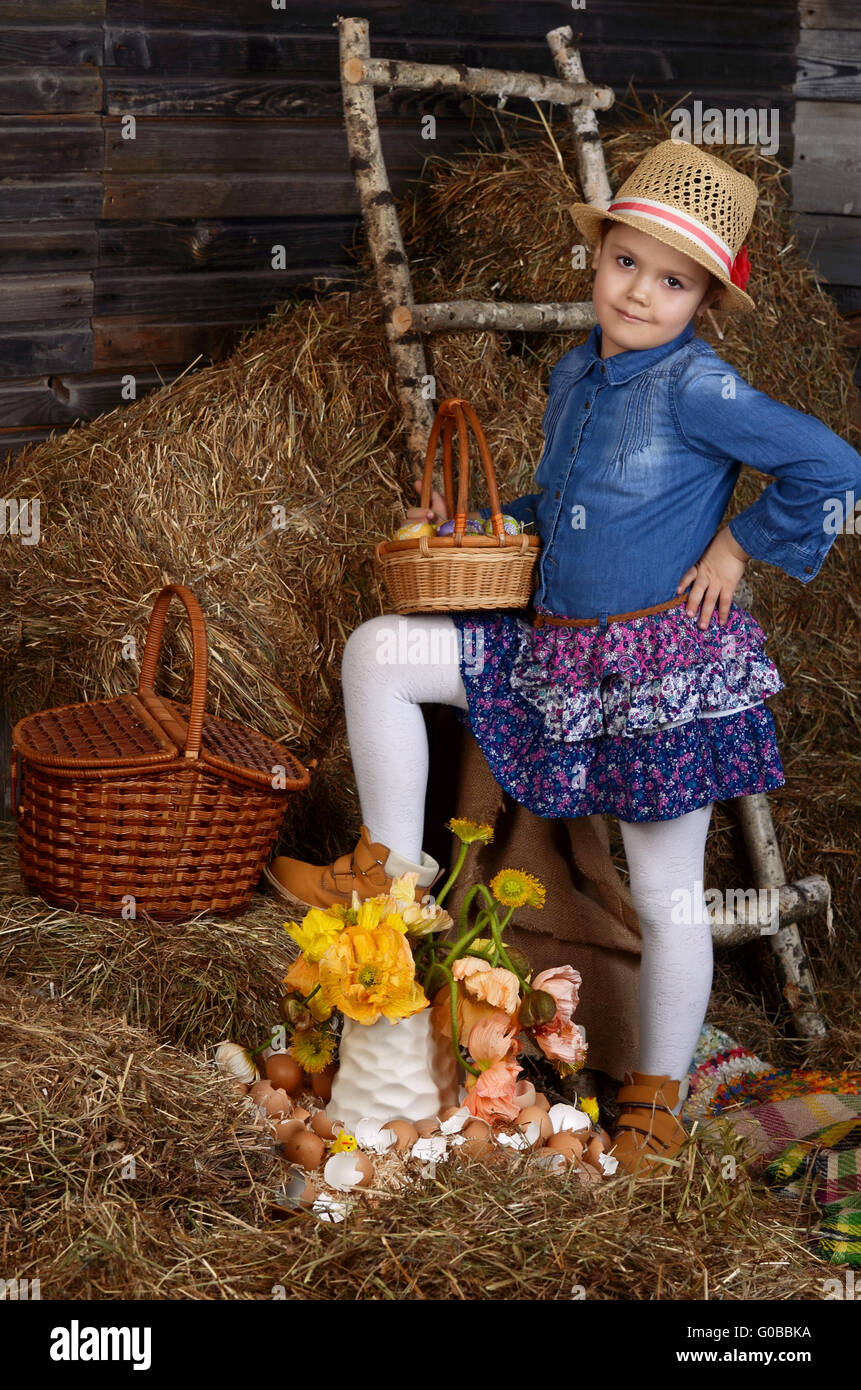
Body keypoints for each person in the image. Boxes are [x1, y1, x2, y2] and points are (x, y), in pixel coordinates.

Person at [266, 139, 861, 1175]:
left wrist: (739, 543)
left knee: (668, 885)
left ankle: (656, 1104)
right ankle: (390, 879)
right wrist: (481, 521)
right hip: (559, 651)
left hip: (657, 668)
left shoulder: (698, 387)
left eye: (673, 281)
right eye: (625, 262)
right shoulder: (578, 372)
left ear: (704, 302)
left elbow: (835, 464)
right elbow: (567, 510)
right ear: (598, 260)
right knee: (382, 650)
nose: (640, 291)